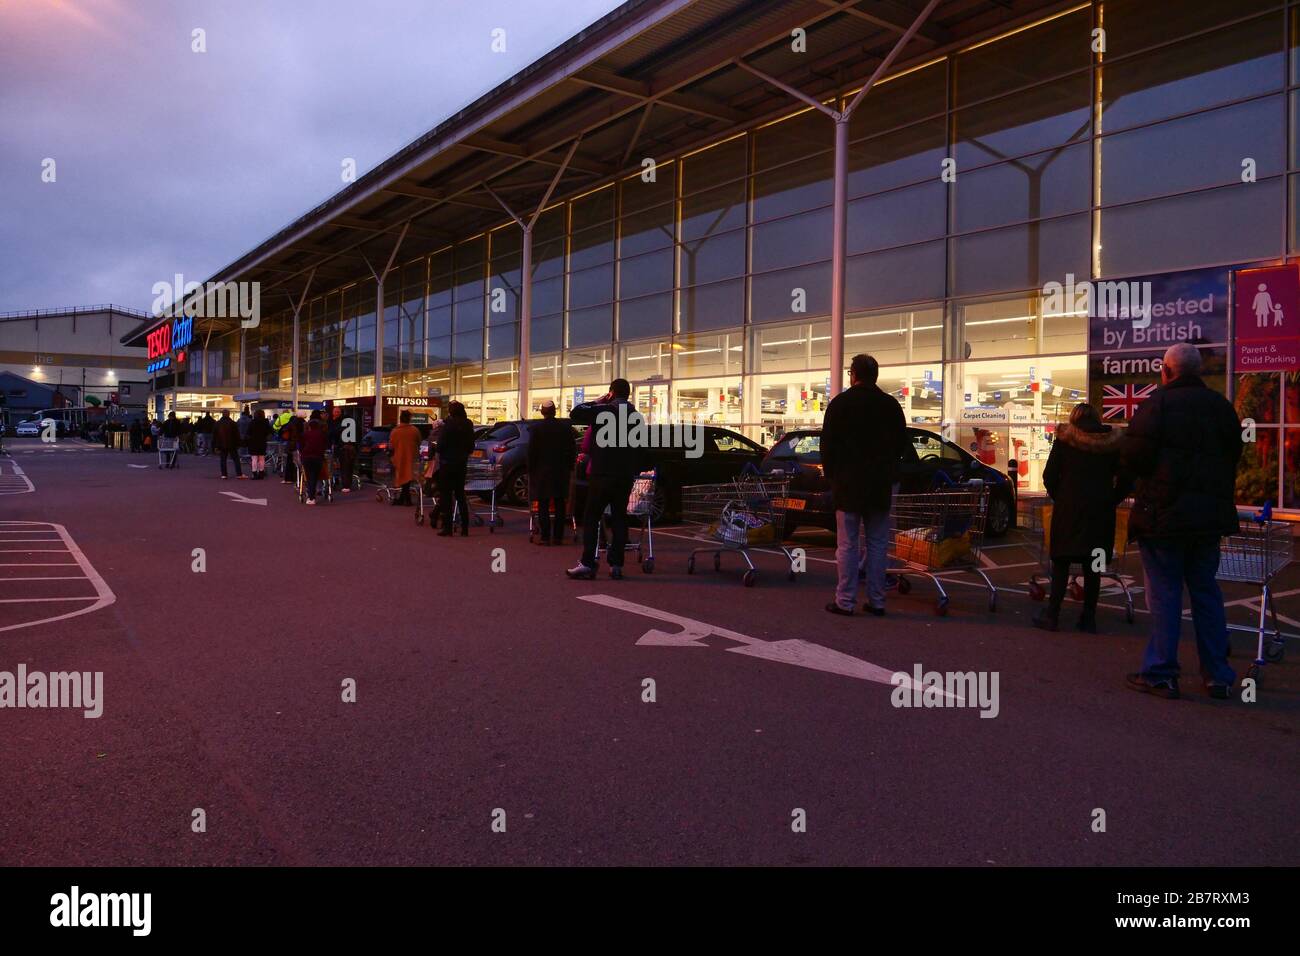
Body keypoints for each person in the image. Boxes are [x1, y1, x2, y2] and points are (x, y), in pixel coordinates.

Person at [1121, 342, 1243, 700]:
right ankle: (1217, 675)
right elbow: (1233, 455)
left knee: (1165, 594)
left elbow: (1135, 459)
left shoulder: (1156, 406)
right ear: (1198, 371)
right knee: (1206, 592)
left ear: (1166, 371)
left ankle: (1161, 672)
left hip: (1164, 518)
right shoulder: (1221, 408)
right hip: (1208, 519)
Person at [821, 354, 907, 617]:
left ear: (853, 375)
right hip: (879, 484)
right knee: (878, 544)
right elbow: (901, 446)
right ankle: (877, 601)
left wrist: (833, 476)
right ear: (876, 376)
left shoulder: (840, 404)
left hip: (848, 484)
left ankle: (844, 601)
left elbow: (827, 446)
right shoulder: (890, 405)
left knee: (847, 544)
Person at [1034, 403, 1132, 633]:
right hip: (1100, 515)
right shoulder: (1112, 443)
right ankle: (1089, 618)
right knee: (1094, 568)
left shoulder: (1065, 441)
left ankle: (1052, 616)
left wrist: (1062, 497)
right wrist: (1111, 500)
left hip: (1068, 513)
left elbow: (1049, 476)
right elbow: (1127, 479)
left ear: (1074, 418)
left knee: (1061, 564)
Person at [567, 379, 645, 580]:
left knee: (592, 517)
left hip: (602, 473)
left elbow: (575, 413)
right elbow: (639, 448)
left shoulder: (604, 412)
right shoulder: (636, 417)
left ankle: (588, 562)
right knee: (619, 517)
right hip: (624, 476)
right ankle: (616, 564)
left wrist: (598, 401)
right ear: (628, 394)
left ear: (611, 393)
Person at [527, 399, 576, 546]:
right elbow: (572, 449)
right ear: (555, 411)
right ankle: (558, 537)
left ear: (542, 412)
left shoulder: (536, 428)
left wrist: (531, 469)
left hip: (542, 472)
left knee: (543, 504)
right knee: (560, 503)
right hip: (561, 471)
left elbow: (531, 452)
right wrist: (569, 466)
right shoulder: (565, 428)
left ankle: (545, 536)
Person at [433, 403, 475, 536]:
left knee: (446, 495)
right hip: (461, 463)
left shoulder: (448, 426)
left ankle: (448, 527)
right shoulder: (468, 424)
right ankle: (465, 528)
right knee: (460, 495)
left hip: (447, 464)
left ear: (451, 412)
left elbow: (440, 446)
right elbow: (471, 446)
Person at [388, 410, 421, 507]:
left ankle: (404, 499)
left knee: (402, 478)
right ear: (409, 419)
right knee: (408, 478)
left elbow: (391, 446)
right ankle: (405, 499)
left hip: (399, 457)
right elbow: (419, 441)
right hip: (412, 457)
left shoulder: (395, 431)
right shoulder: (415, 430)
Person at [299, 416, 328, 504]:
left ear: (309, 426)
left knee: (308, 476)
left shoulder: (305, 434)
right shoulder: (322, 434)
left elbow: (300, 446)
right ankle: (313, 495)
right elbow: (326, 445)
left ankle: (311, 497)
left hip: (306, 457)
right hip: (318, 457)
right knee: (315, 476)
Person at [328, 406, 356, 493]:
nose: (336, 413)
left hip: (342, 446)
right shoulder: (347, 422)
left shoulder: (339, 423)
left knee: (342, 465)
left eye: (338, 412)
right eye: (335, 412)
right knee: (345, 466)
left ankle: (344, 484)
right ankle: (343, 483)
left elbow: (333, 433)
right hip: (343, 446)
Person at [213, 409, 245, 479]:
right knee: (236, 459)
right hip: (232, 445)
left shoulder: (218, 423)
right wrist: (238, 444)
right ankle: (239, 474)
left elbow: (215, 436)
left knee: (223, 460)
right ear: (229, 414)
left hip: (222, 445)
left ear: (222, 414)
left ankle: (224, 474)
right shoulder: (233, 423)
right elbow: (237, 435)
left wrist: (215, 446)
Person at [246, 409, 272, 480]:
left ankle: (254, 474)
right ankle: (261, 474)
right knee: (262, 458)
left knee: (254, 458)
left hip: (253, 442)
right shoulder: (266, 422)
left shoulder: (252, 422)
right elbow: (270, 432)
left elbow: (248, 433)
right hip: (262, 442)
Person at [281, 414, 304, 485]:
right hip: (301, 445)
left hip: (292, 446)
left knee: (290, 461)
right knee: (300, 462)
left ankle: (289, 478)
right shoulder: (303, 424)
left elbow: (284, 435)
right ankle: (301, 478)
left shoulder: (290, 425)